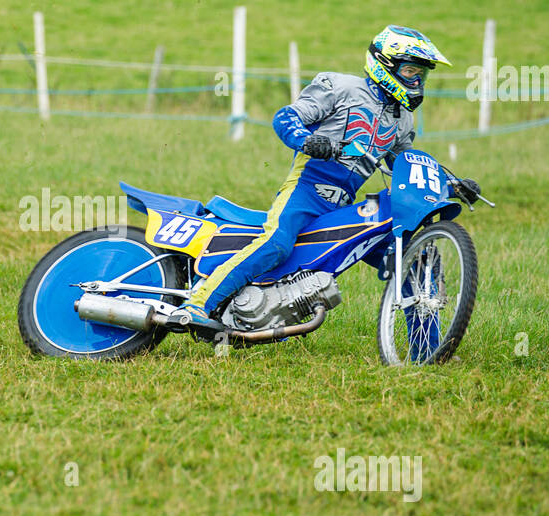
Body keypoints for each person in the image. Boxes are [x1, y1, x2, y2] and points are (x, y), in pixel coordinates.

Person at [168, 25, 480, 338]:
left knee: (406, 258)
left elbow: (403, 165)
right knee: (277, 242)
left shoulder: (403, 119)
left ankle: (428, 351)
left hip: (342, 205)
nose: (416, 81)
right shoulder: (340, 87)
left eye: (421, 75)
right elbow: (286, 117)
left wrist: (447, 184)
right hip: (305, 191)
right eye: (410, 70)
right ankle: (197, 304)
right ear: (385, 63)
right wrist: (307, 140)